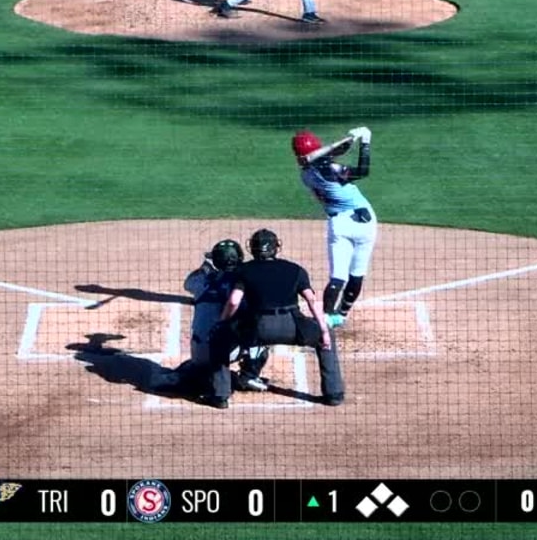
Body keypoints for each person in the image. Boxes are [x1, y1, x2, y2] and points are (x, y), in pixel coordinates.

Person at [204, 229, 345, 409]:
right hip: (292, 327)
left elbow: (233, 301)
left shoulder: (243, 270)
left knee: (219, 339)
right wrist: (324, 331)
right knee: (326, 338)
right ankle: (333, 394)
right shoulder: (295, 269)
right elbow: (311, 300)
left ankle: (220, 396)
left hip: (256, 329)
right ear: (276, 247)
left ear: (253, 249)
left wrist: (222, 324)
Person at [153, 239, 271, 396]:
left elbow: (188, 283)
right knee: (267, 330)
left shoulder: (202, 281)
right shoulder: (245, 282)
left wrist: (205, 269)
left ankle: (191, 373)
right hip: (226, 351)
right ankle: (249, 376)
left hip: (198, 351)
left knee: (202, 360)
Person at [292, 127, 377, 328]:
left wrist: (345, 143)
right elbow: (363, 171)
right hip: (365, 221)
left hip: (339, 225)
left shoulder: (305, 175)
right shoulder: (330, 169)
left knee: (338, 276)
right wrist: (364, 141)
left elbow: (329, 155)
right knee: (357, 273)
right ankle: (343, 314)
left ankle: (327, 320)